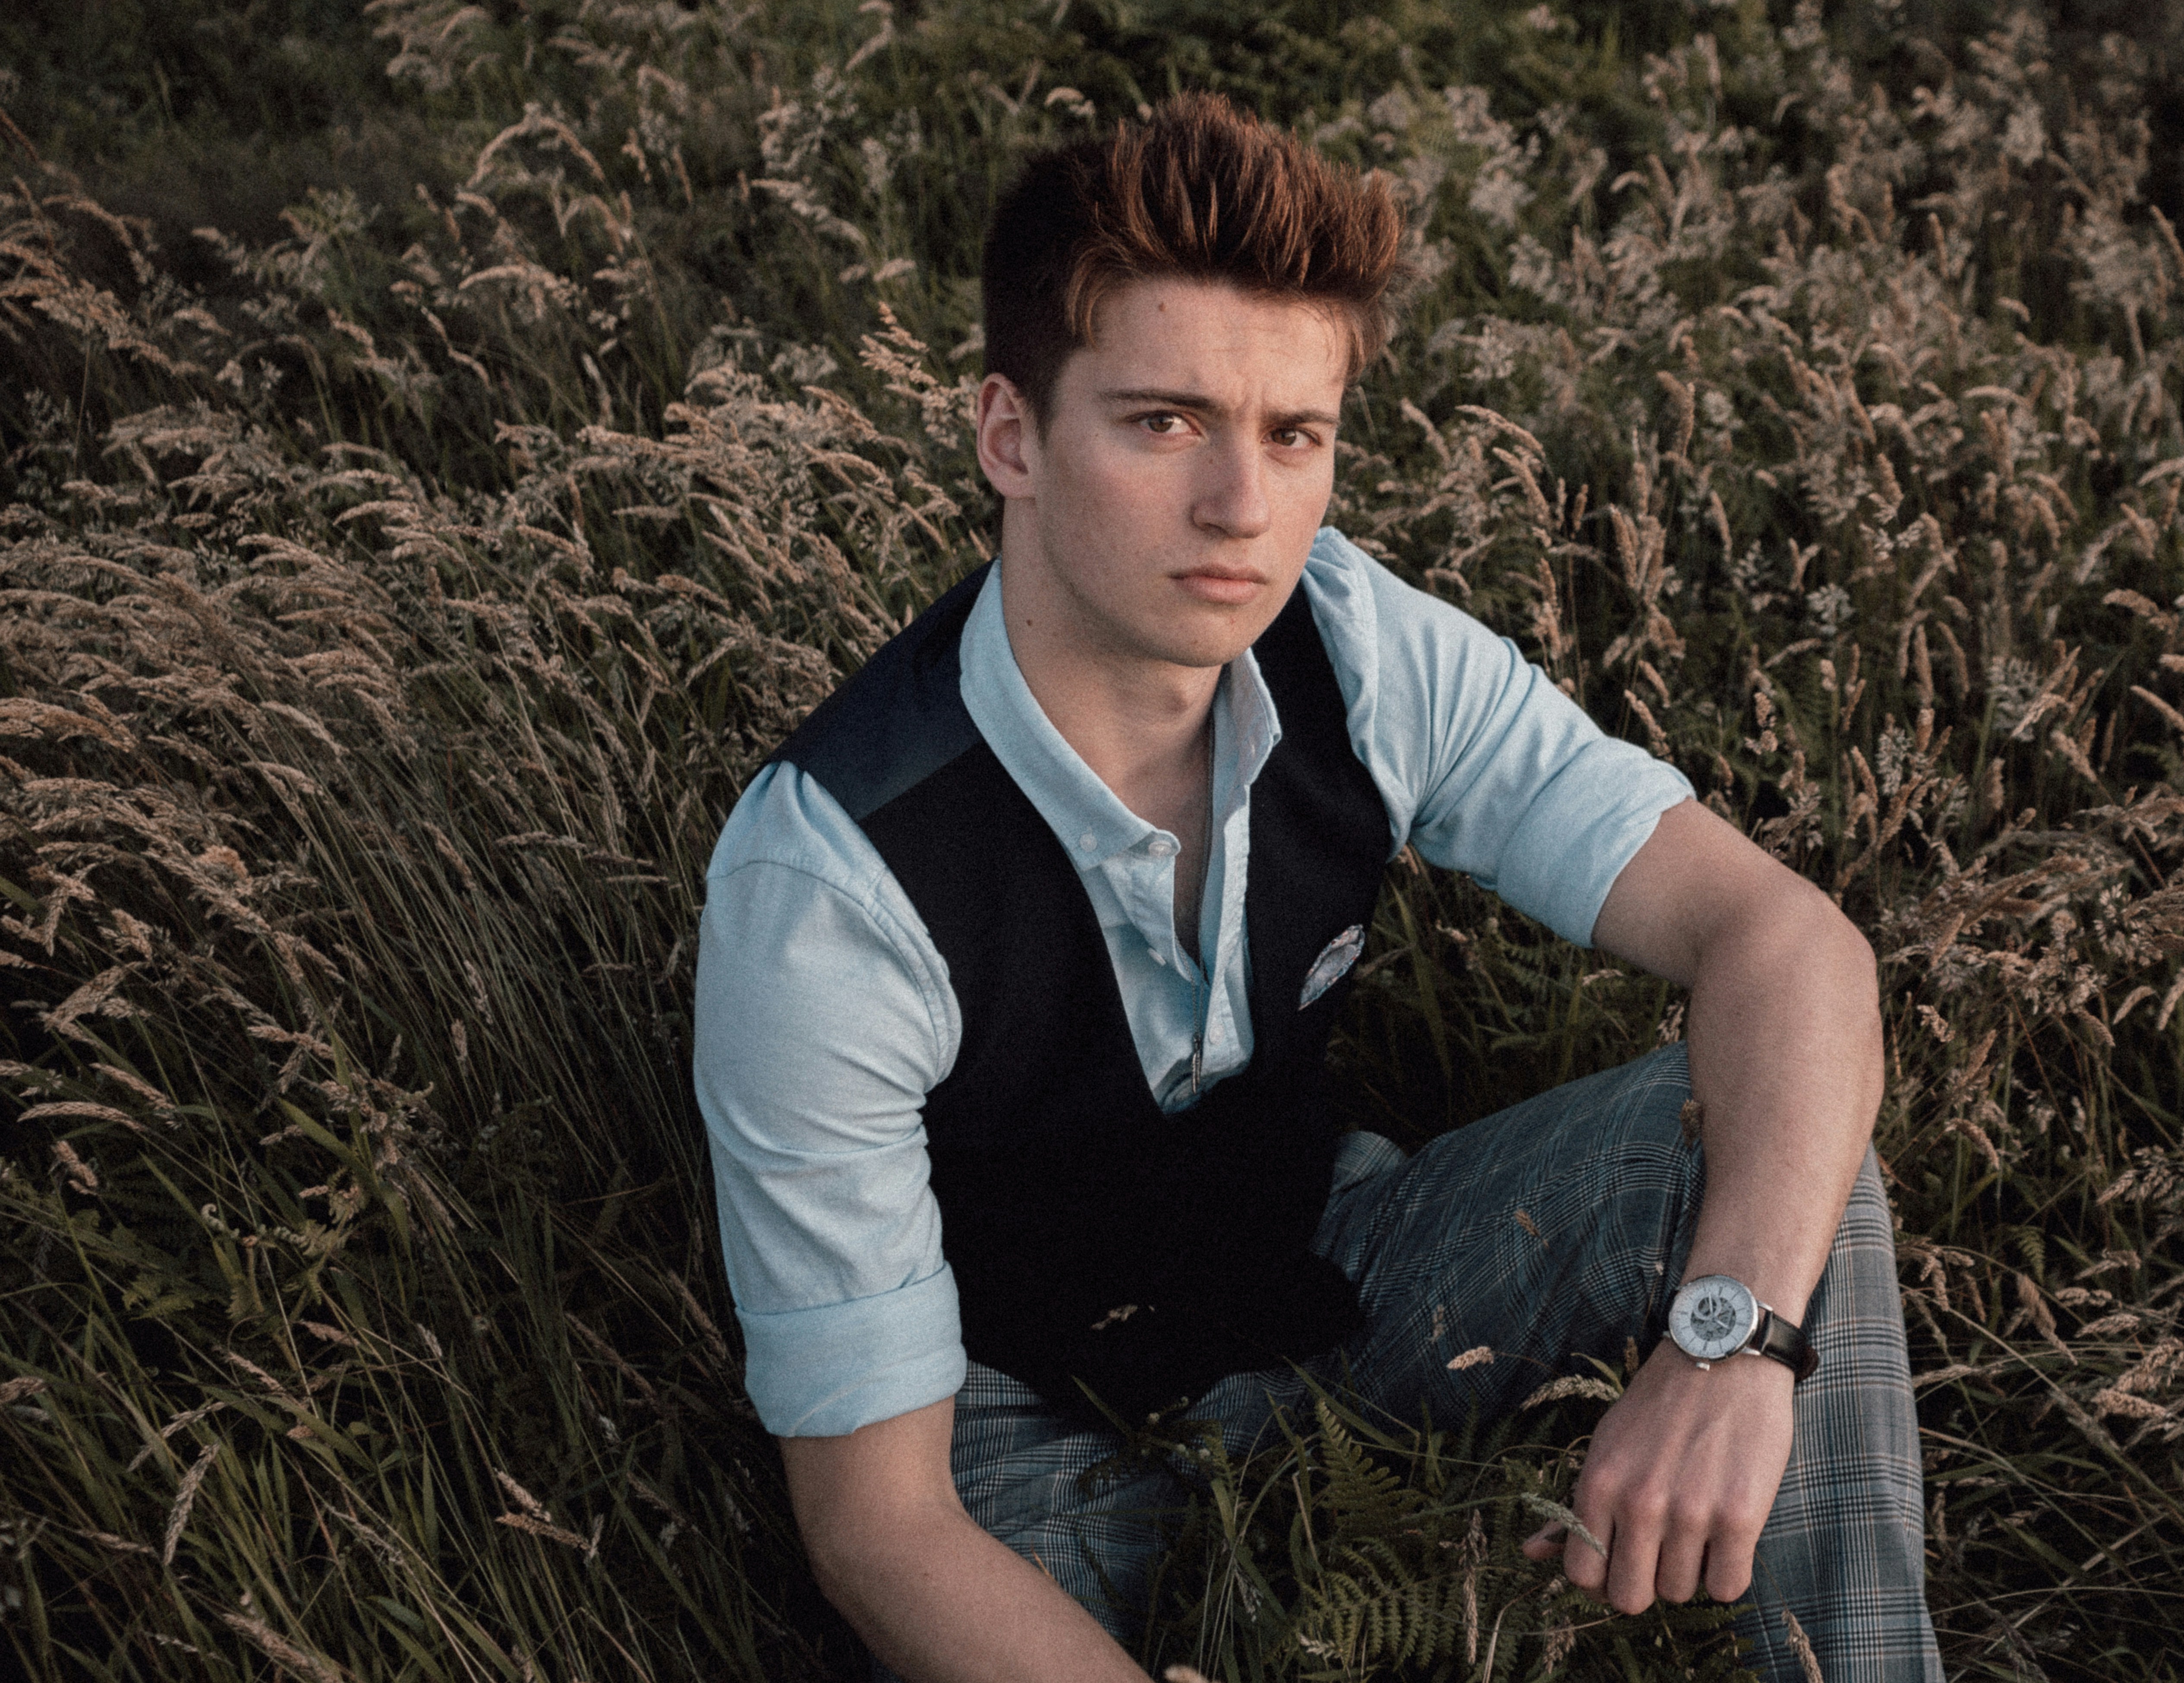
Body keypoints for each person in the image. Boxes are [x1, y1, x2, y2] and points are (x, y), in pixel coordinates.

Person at [693, 95, 1942, 1683]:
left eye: (1295, 434)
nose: (1243, 506)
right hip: (1009, 1422)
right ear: (1009, 433)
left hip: (1327, 1260)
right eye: (1164, 423)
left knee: (1778, 1154)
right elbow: (878, 1523)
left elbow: (1785, 941)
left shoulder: (1356, 639)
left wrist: (1732, 1344)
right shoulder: (828, 887)